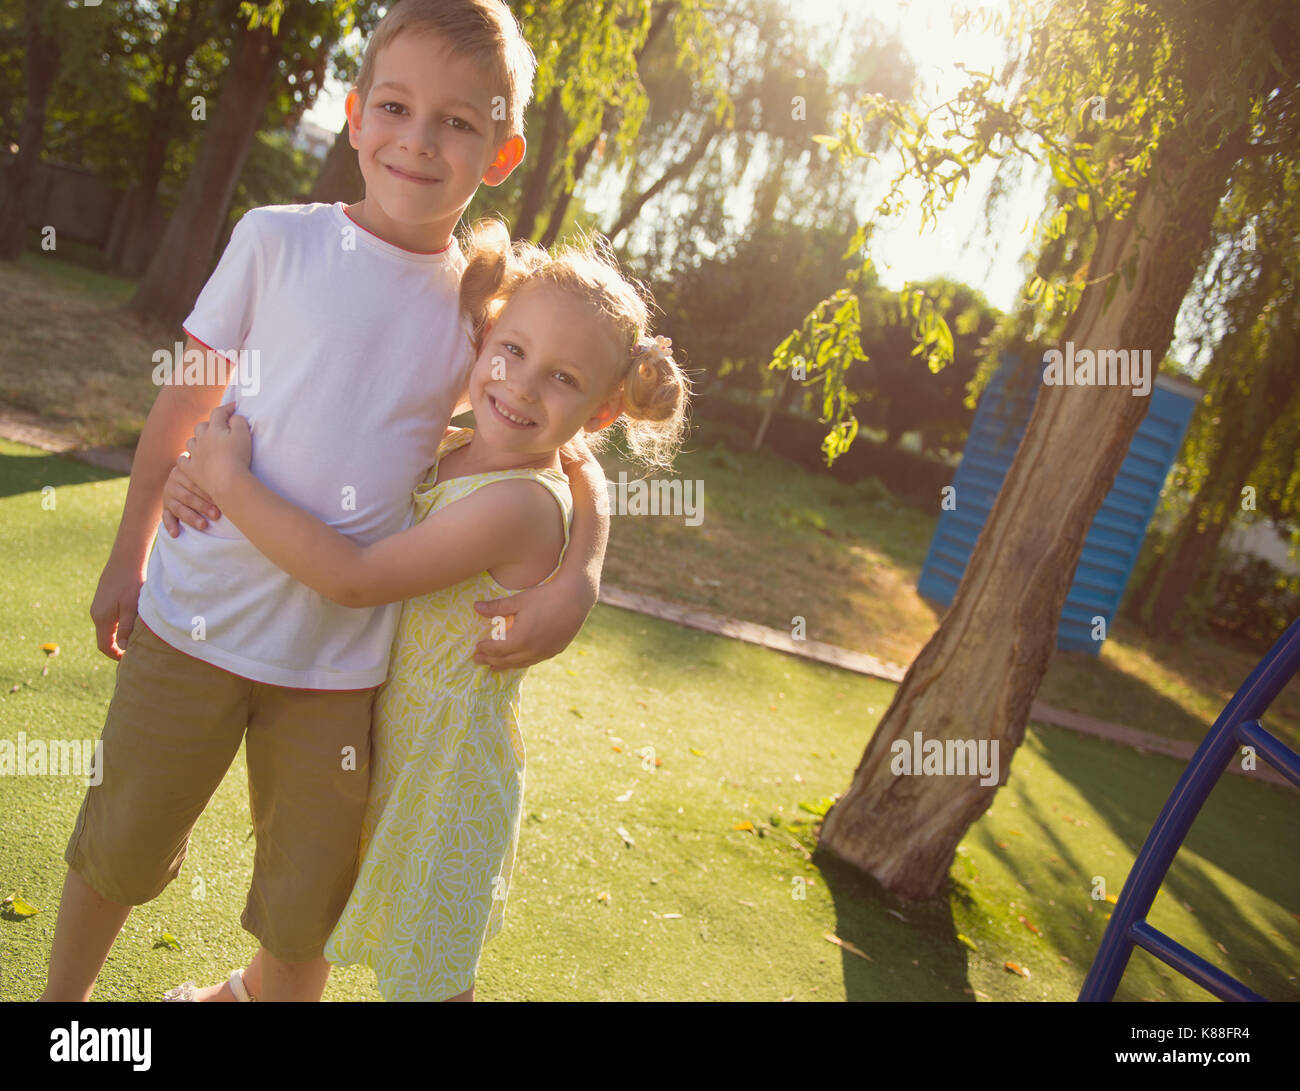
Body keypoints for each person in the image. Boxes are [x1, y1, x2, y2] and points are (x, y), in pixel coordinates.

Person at [40, 0, 610, 1004]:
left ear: (501, 152)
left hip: (338, 674)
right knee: (120, 848)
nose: (417, 139)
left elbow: (566, 447)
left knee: (305, 910)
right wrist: (127, 553)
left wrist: (581, 574)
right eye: (394, 106)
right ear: (353, 114)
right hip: (194, 617)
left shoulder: (484, 313)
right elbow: (182, 408)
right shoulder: (274, 239)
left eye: (457, 122)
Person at [178, 218, 691, 1001]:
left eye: (561, 378)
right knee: (316, 909)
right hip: (380, 737)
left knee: (427, 978)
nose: (520, 386)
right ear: (485, 337)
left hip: (444, 778)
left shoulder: (517, 502)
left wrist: (229, 482)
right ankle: (251, 995)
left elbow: (352, 577)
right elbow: (578, 474)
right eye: (512, 351)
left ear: (601, 413)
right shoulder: (457, 443)